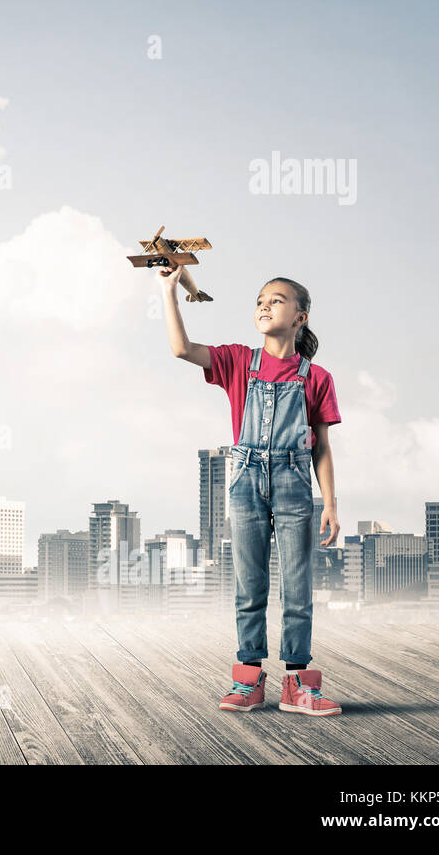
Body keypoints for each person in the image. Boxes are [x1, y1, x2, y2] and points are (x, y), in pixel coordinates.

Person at [160, 266, 343, 716]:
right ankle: (248, 681)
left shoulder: (316, 377)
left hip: (294, 482)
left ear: (300, 317)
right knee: (249, 586)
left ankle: (299, 686)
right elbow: (181, 348)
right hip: (245, 481)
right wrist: (169, 290)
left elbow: (321, 446)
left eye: (276, 299)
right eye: (260, 299)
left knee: (297, 587)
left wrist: (331, 504)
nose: (264, 304)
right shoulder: (239, 361)